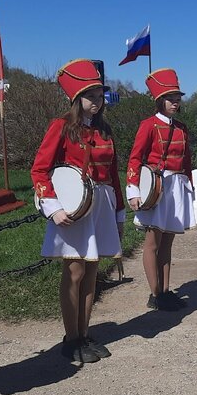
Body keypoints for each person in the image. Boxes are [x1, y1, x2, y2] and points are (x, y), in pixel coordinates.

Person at [32, 59, 124, 365]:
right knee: (74, 272)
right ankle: (70, 338)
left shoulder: (106, 131)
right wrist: (53, 207)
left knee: (92, 272)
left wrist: (119, 213)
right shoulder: (61, 127)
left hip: (101, 206)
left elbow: (113, 174)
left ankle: (84, 333)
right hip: (72, 207)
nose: (96, 103)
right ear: (76, 99)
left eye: (99, 96)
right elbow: (40, 170)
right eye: (90, 96)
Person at [126, 68, 195, 310]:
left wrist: (190, 186)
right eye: (170, 99)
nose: (175, 103)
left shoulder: (182, 128)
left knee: (167, 244)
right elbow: (135, 158)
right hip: (156, 187)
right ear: (159, 100)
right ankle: (155, 293)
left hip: (177, 187)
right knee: (152, 243)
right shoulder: (148, 125)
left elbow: (187, 161)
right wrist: (133, 189)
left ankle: (165, 291)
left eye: (177, 99)